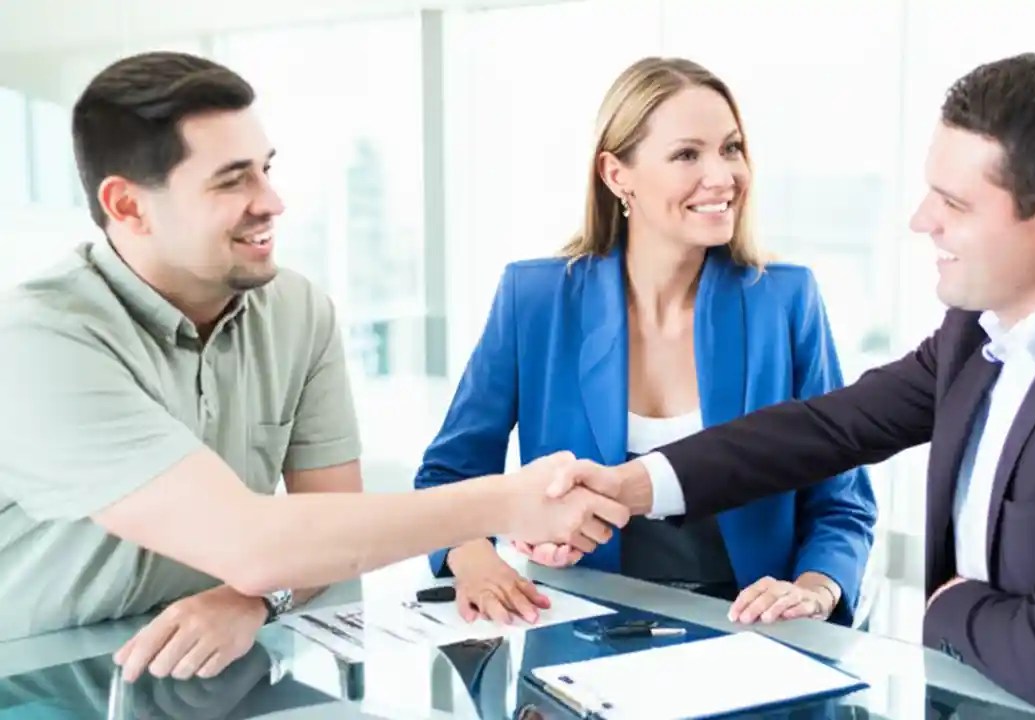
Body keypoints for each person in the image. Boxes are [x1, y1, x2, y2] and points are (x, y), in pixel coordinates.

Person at [548, 51, 1035, 717]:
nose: (920, 220)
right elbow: (828, 428)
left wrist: (945, 604)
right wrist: (634, 485)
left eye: (955, 204)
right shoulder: (980, 327)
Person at [0, 51, 627, 681]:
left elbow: (333, 537)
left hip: (212, 676)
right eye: (231, 179)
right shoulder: (42, 339)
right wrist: (508, 501)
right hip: (39, 681)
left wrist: (253, 598)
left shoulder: (298, 310)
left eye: (266, 169)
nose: (271, 200)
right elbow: (253, 542)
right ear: (128, 206)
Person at [414, 57, 876, 628]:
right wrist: (478, 562)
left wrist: (812, 590)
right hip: (576, 630)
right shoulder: (534, 298)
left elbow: (843, 503)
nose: (722, 175)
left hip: (754, 635)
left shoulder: (786, 301)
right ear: (616, 175)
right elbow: (450, 475)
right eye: (688, 154)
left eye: (731, 149)